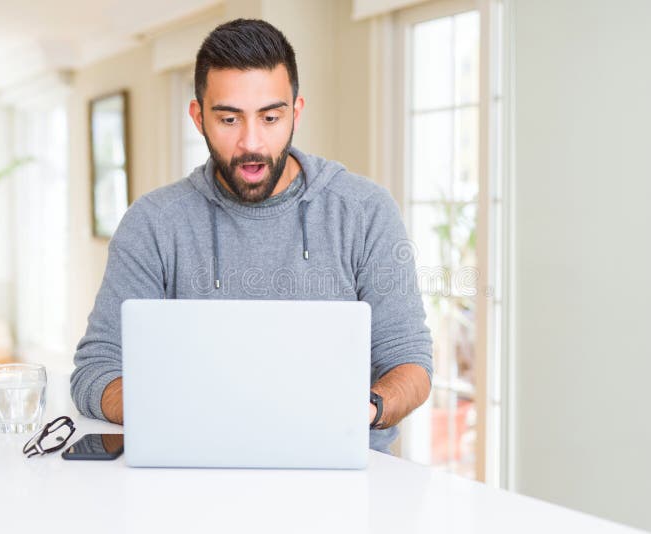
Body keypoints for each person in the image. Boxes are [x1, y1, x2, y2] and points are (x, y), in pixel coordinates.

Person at [70, 18, 432, 454]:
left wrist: (367, 408)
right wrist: (186, 410)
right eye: (228, 119)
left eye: (271, 117)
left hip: (337, 472)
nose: (251, 142)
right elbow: (97, 368)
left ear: (296, 113)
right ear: (198, 117)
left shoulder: (364, 211)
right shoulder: (153, 223)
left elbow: (411, 363)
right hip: (192, 467)